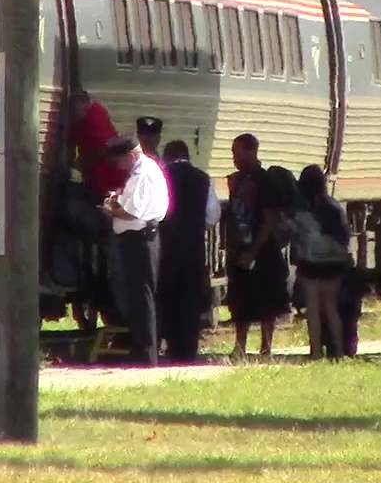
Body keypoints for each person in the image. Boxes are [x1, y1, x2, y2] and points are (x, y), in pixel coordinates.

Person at [102, 136, 170, 365]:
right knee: (140, 295)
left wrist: (110, 209)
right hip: (142, 238)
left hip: (139, 241)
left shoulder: (141, 176)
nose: (117, 166)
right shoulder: (147, 169)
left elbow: (131, 213)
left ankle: (146, 351)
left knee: (142, 297)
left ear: (131, 156)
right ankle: (143, 347)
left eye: (119, 160)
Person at [224, 133, 291, 357]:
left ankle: (266, 347)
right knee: (240, 301)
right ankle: (240, 346)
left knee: (266, 301)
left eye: (237, 152)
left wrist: (254, 250)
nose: (234, 157)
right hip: (239, 249)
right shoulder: (236, 180)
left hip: (263, 250)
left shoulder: (265, 181)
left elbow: (270, 218)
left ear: (251, 151)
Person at [157, 140, 222, 362]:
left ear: (167, 156)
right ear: (187, 156)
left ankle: (168, 342)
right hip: (193, 248)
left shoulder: (161, 176)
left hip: (165, 246)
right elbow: (212, 215)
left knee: (166, 295)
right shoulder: (203, 179)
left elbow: (158, 211)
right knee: (190, 297)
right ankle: (187, 348)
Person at [295, 164, 352, 359]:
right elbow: (345, 235)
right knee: (330, 306)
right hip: (333, 263)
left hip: (310, 263)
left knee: (313, 307)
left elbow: (296, 236)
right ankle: (337, 350)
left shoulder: (301, 209)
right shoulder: (334, 206)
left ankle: (316, 351)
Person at [71, 91, 127, 197]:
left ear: (85, 104)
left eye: (75, 110)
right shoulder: (89, 117)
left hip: (107, 181)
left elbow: (105, 148)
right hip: (98, 178)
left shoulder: (95, 120)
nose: (73, 114)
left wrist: (82, 161)